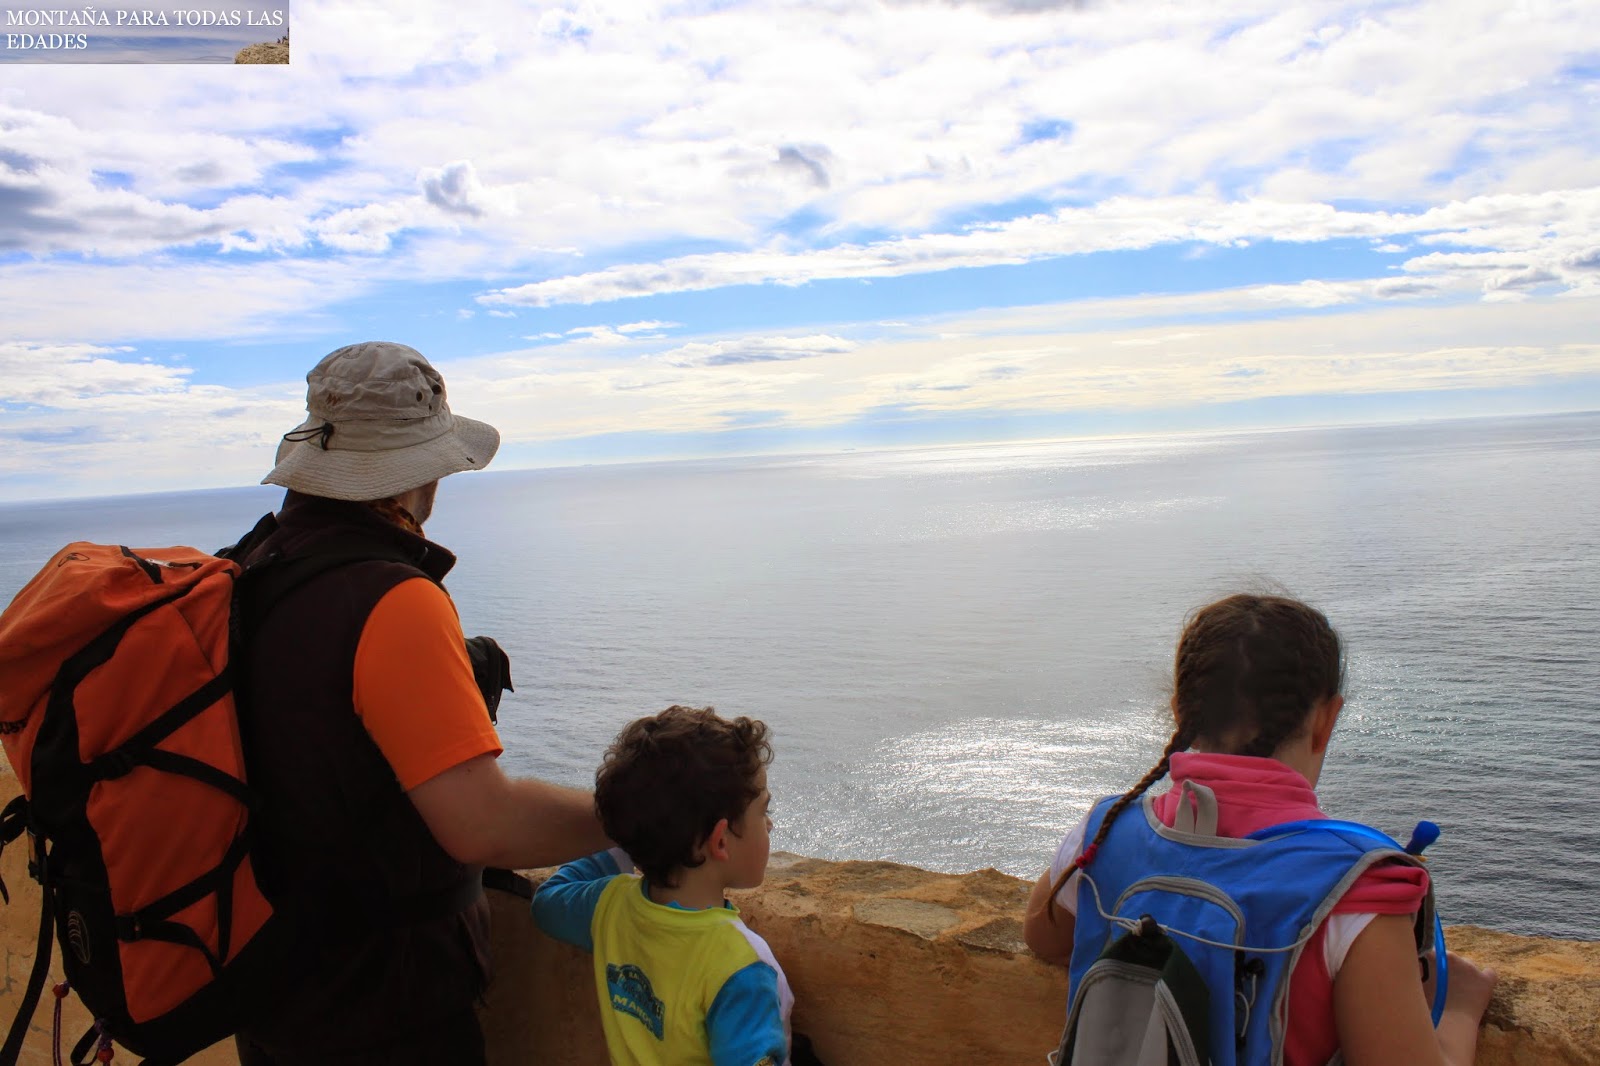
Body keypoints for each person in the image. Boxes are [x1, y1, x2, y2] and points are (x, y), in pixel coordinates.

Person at [232, 341, 611, 1066]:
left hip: (273, 988)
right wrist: (633, 818)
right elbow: (482, 824)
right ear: (421, 472)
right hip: (383, 1006)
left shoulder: (253, 567)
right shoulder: (393, 598)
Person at [1022, 593, 1498, 1066]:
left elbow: (1043, 939)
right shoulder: (1357, 891)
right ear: (1325, 721)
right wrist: (1460, 1009)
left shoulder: (1105, 830)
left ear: (1179, 713)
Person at [531, 705, 792, 1066]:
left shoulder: (608, 908)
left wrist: (627, 839)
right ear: (720, 842)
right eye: (764, 811)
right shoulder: (740, 965)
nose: (770, 826)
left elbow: (547, 904)